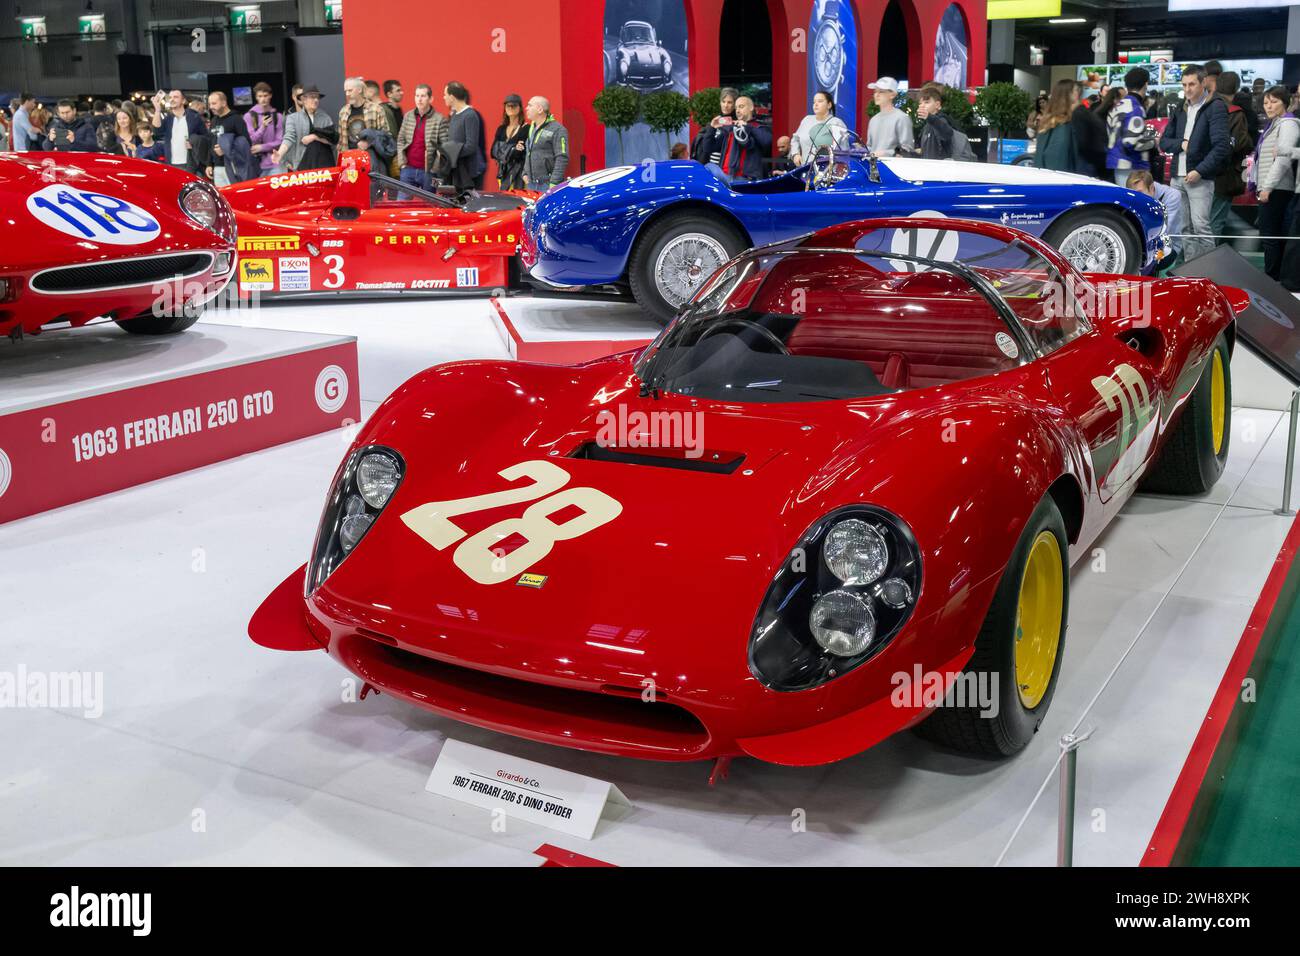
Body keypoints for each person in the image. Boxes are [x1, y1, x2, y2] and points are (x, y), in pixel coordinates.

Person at [1160, 65, 1230, 261]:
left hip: (1200, 177)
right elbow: (1165, 141)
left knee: (1201, 226)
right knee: (1185, 228)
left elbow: (1221, 147)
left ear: (1203, 82)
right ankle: (1193, 272)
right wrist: (1181, 144)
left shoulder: (1215, 106)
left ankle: (1210, 271)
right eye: (1184, 84)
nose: (1187, 89)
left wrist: (1200, 170)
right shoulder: (1181, 107)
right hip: (1177, 176)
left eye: (1192, 84)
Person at [1251, 86, 1300, 280]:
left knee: (1271, 236)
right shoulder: (1275, 124)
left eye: (1274, 101)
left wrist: (1268, 187)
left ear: (1285, 102)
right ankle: (1274, 277)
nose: (1269, 106)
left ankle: (1272, 277)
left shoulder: (1288, 124)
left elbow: (1282, 159)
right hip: (1272, 186)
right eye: (1265, 102)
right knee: (1272, 235)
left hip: (1277, 188)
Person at [1209, 72, 1255, 244]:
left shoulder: (1206, 107)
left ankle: (1190, 262)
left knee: (1199, 222)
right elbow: (1241, 143)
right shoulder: (1235, 113)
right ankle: (1207, 265)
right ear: (1236, 88)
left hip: (1202, 172)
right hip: (1225, 175)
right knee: (1216, 222)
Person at [705, 94, 770, 184]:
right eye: (736, 108)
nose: (738, 111)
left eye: (741, 107)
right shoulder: (730, 128)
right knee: (709, 167)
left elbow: (767, 141)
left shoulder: (758, 127)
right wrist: (712, 128)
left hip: (746, 179)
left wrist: (747, 126)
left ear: (751, 108)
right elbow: (708, 148)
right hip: (724, 177)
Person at [397, 83, 449, 194]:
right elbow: (400, 140)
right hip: (408, 170)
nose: (419, 99)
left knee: (430, 206)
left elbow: (444, 147)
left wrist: (434, 169)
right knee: (402, 204)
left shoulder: (440, 119)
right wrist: (402, 164)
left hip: (429, 173)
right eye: (417, 96)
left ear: (431, 99)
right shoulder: (408, 116)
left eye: (423, 96)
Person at [1127, 170, 1185, 263]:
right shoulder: (1134, 197)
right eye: (1134, 193)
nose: (1136, 197)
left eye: (1140, 192)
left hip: (1167, 246)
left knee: (1146, 262)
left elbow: (1165, 229)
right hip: (1144, 244)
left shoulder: (1173, 196)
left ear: (1151, 188)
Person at [1106, 68, 1151, 185]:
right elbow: (1131, 141)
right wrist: (1153, 141)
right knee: (1134, 201)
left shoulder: (1117, 106)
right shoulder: (1135, 107)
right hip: (1132, 164)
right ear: (1146, 84)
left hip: (1116, 163)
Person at [277, 85, 336, 171]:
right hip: (302, 167)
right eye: (312, 97)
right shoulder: (292, 118)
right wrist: (280, 154)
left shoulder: (325, 118)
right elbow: (289, 138)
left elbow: (333, 141)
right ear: (303, 99)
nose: (316, 100)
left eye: (317, 98)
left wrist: (315, 137)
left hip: (324, 166)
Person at [444, 81, 486, 192]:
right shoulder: (454, 115)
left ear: (452, 97)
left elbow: (471, 146)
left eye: (445, 95)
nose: (444, 98)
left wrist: (451, 153)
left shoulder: (470, 115)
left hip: (468, 175)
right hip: (456, 172)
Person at [522, 96, 570, 190]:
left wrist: (554, 183)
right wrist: (524, 173)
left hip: (547, 185)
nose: (526, 108)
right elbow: (529, 152)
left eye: (530, 105)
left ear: (540, 109)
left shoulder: (558, 129)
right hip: (530, 184)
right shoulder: (531, 128)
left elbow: (562, 157)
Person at [790, 90, 849, 165]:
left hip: (828, 171)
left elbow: (844, 150)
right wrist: (795, 154)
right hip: (805, 169)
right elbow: (795, 139)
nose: (816, 104)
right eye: (814, 102)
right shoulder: (806, 120)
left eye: (820, 101)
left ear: (829, 105)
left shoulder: (837, 123)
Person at [151, 90, 206, 172]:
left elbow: (206, 137)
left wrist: (195, 143)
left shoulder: (194, 117)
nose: (172, 99)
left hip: (190, 163)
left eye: (175, 97)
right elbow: (156, 131)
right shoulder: (168, 119)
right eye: (170, 97)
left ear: (183, 101)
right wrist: (157, 110)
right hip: (171, 163)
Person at [206, 91, 251, 186]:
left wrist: (226, 150)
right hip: (217, 168)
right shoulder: (213, 120)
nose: (211, 107)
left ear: (224, 103)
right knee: (222, 199)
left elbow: (246, 143)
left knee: (236, 198)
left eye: (214, 103)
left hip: (234, 167)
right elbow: (211, 143)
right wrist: (209, 164)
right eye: (209, 104)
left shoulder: (236, 119)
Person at [338, 77, 387, 159]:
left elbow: (385, 135)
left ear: (359, 90)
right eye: (345, 91)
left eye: (350, 90)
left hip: (371, 159)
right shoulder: (343, 111)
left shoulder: (376, 109)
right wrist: (340, 162)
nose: (347, 94)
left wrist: (369, 143)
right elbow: (341, 142)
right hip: (350, 159)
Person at [866, 77, 913, 158]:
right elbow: (870, 146)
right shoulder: (874, 120)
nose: (877, 95)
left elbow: (907, 149)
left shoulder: (901, 118)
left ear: (892, 94)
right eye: (875, 91)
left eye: (881, 92)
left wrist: (886, 153)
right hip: (874, 166)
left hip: (893, 167)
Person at [245, 82, 286, 176]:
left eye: (265, 95)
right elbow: (251, 140)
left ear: (270, 96)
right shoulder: (249, 116)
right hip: (256, 164)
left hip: (275, 163)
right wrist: (262, 127)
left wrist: (262, 147)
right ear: (256, 97)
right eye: (260, 96)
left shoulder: (278, 116)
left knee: (278, 190)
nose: (263, 99)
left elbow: (280, 141)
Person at [491, 93, 527, 190]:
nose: (511, 108)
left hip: (518, 173)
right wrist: (513, 148)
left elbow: (519, 154)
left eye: (514, 105)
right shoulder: (501, 129)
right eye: (508, 105)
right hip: (502, 172)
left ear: (520, 108)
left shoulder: (525, 128)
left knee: (517, 201)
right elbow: (493, 152)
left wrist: (503, 149)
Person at [693, 87, 737, 165]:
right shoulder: (716, 120)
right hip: (710, 167)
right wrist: (712, 127)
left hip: (725, 169)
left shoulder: (736, 123)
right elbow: (706, 147)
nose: (725, 105)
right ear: (720, 103)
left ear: (734, 104)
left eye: (729, 102)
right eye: (723, 101)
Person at [915, 86, 957, 160]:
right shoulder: (927, 125)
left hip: (940, 168)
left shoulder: (941, 120)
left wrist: (929, 117)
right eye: (920, 103)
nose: (922, 105)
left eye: (926, 102)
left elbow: (947, 133)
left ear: (937, 105)